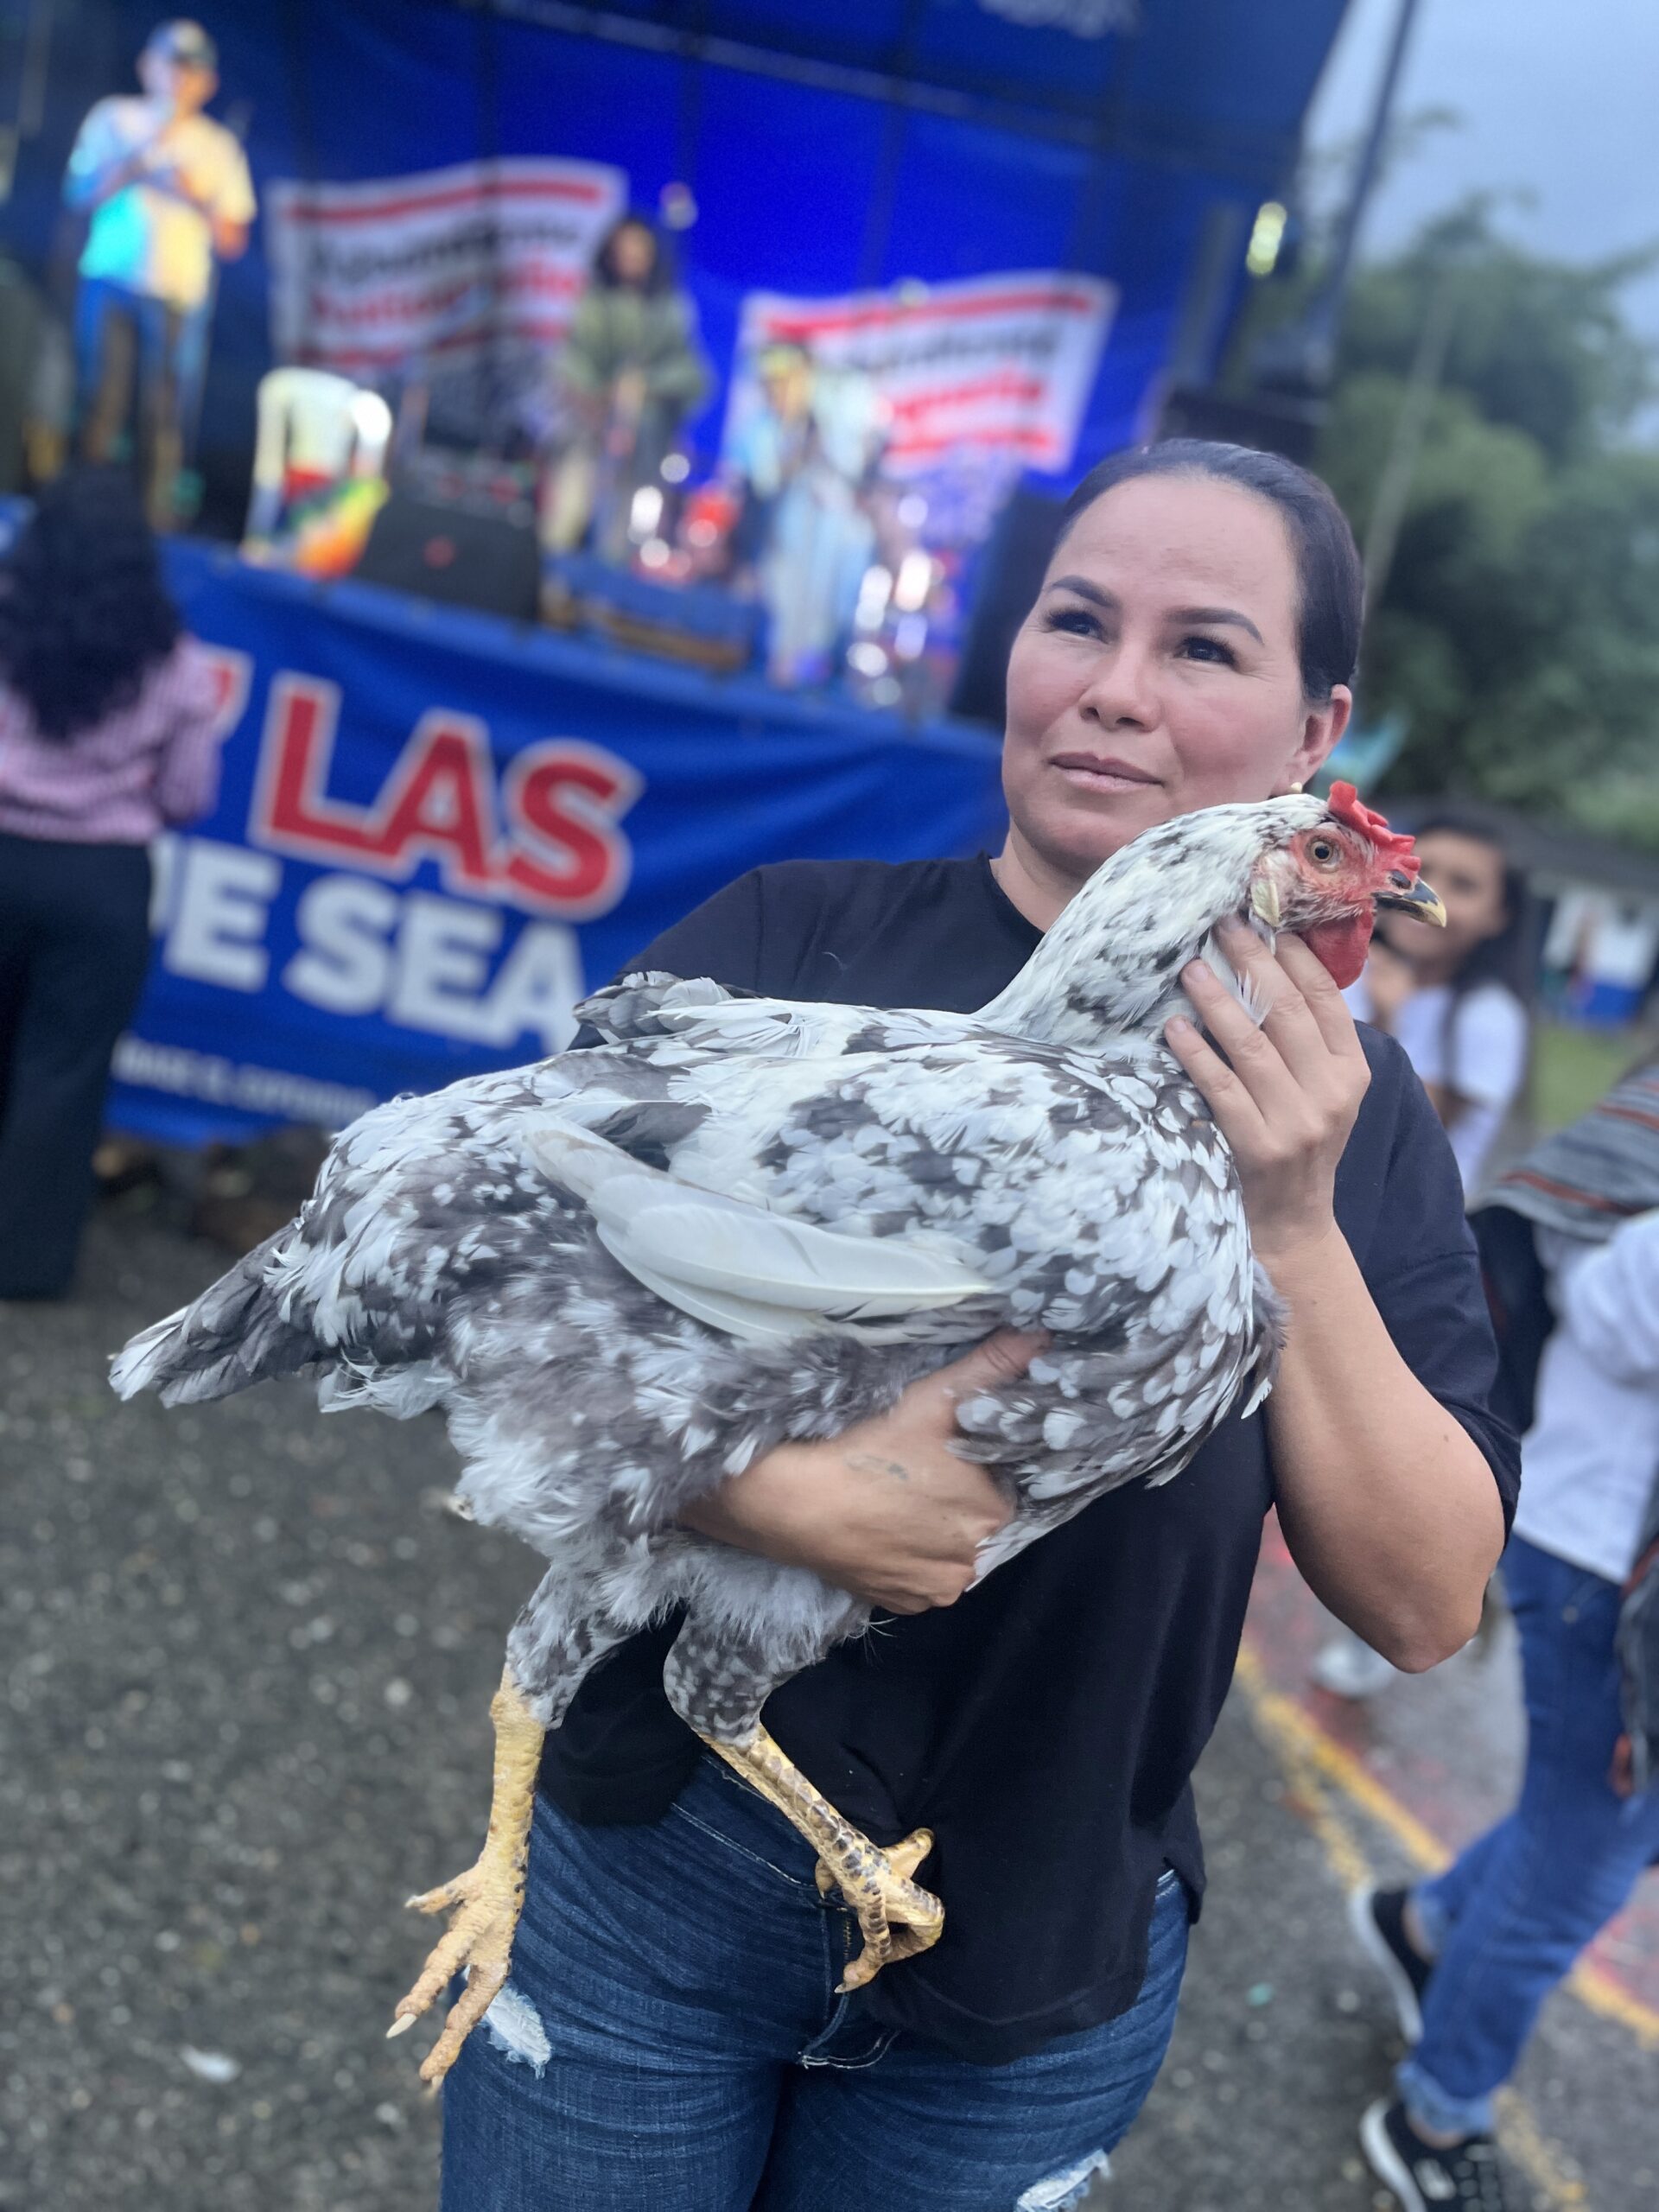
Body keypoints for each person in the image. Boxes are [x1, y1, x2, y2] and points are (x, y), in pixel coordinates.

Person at [436, 440, 1516, 2212]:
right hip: (658, 1868)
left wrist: (1295, 1221)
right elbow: (481, 1284)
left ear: (1317, 735)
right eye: (1076, 619)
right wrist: (755, 1489)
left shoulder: (1353, 1113)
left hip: (1035, 1956)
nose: (1112, 688)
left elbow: (1418, 1599)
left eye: (1203, 647)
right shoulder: (794, 940)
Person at [1353, 1071, 1659, 2212]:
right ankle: (1437, 2114)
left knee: (1587, 1835)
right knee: (1577, 1870)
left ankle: (1421, 1926)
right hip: (1602, 1571)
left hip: (1613, 1565)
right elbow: (1619, 1302)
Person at [1315, 811, 1535, 1695]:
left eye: (1464, 880)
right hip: (1334, 1225)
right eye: (1425, 861)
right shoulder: (1363, 961)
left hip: (1420, 1245)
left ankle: (1385, 1630)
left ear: (1496, 918)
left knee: (1391, 1441)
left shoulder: (1487, 1013)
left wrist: (1397, 1016)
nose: (1432, 885)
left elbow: (1405, 1122)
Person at [0, 467, 226, 1299]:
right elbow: (188, 795)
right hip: (101, 884)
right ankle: (23, 1268)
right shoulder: (175, 664)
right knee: (64, 1075)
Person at [62, 20, 254, 527]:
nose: (177, 78)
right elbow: (78, 197)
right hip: (108, 280)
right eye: (170, 64)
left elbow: (233, 239)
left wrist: (192, 191)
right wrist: (133, 165)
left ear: (206, 83)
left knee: (161, 413)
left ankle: (149, 528)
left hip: (176, 296)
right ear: (148, 66)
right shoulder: (114, 118)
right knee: (98, 401)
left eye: (190, 70)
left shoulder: (217, 146)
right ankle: (82, 516)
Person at [538, 214, 709, 565]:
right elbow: (571, 362)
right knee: (566, 517)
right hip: (588, 432)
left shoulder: (670, 310)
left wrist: (645, 389)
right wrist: (598, 398)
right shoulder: (593, 304)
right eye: (624, 248)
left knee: (619, 538)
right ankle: (548, 592)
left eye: (639, 249)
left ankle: (600, 602)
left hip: (642, 448)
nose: (631, 256)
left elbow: (691, 376)